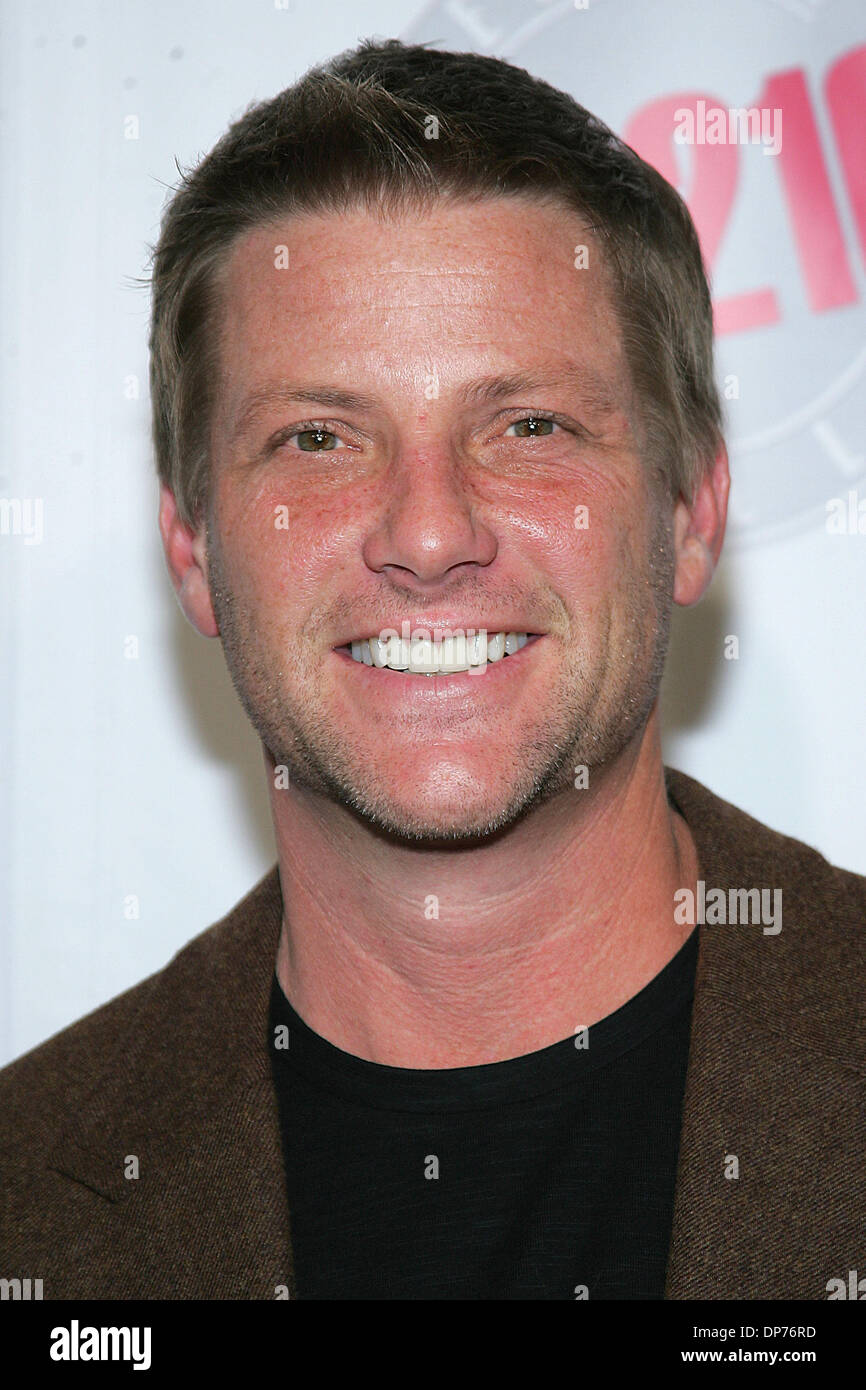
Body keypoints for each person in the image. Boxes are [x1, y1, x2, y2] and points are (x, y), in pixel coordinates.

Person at [1, 38, 861, 1302]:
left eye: (527, 425)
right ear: (190, 547)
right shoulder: (30, 1195)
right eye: (316, 437)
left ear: (689, 510)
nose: (425, 532)